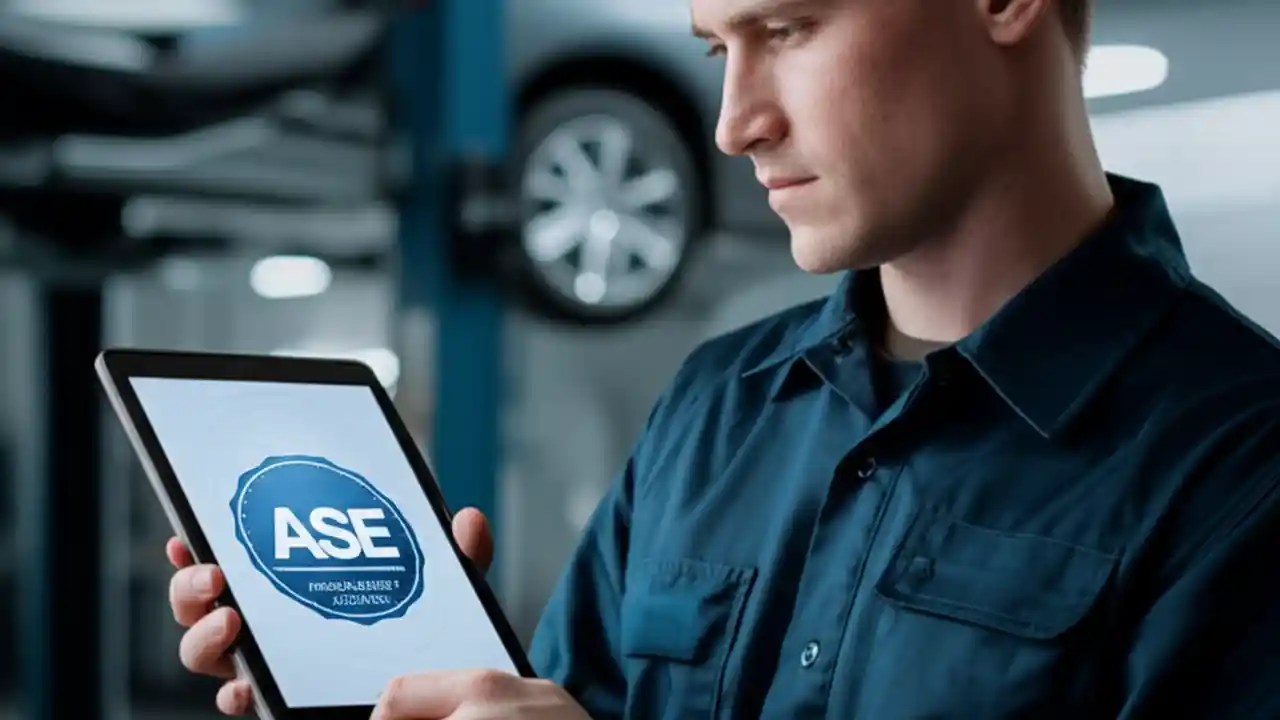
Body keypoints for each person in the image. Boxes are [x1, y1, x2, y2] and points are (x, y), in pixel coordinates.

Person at [167, 0, 1280, 717]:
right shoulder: (712, 407)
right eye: (716, 50)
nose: (732, 122)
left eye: (787, 29)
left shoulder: (1240, 461)